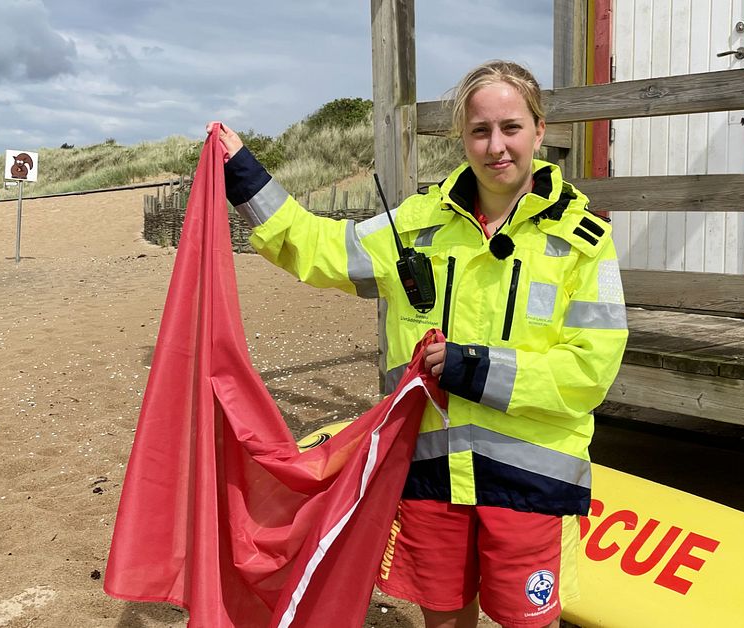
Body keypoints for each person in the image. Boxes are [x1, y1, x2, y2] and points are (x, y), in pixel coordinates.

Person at [210, 60, 627, 628]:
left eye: (510, 127)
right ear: (463, 138)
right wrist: (244, 175)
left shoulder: (585, 242)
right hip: (433, 474)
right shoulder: (414, 222)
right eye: (480, 130)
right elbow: (318, 247)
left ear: (539, 129)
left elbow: (590, 370)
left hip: (533, 485)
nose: (496, 146)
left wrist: (473, 369)